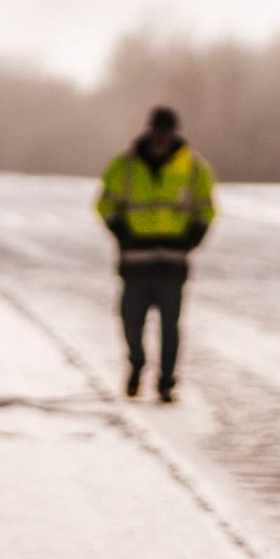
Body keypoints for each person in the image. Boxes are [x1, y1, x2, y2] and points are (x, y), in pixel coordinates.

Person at [96, 107, 217, 402]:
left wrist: (192, 239)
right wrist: (122, 234)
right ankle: (136, 364)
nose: (161, 137)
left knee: (170, 327)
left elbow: (206, 209)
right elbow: (105, 205)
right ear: (149, 130)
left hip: (173, 263)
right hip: (135, 261)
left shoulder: (195, 168)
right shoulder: (123, 166)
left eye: (167, 132)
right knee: (131, 321)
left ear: (175, 132)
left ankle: (166, 381)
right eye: (157, 131)